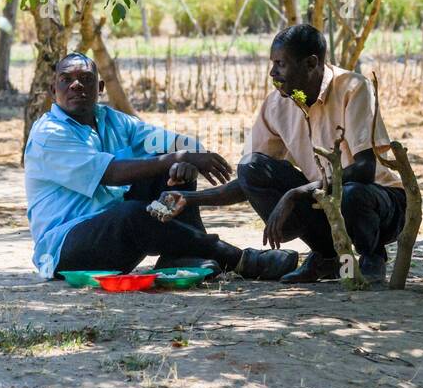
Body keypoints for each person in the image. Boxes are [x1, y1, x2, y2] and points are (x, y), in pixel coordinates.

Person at [160, 25, 406, 284]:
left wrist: (296, 192)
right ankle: (327, 256)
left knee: (353, 193)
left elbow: (365, 169)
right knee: (251, 166)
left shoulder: (353, 87)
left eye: (281, 64)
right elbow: (250, 180)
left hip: (380, 203)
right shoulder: (277, 104)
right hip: (327, 202)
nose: (272, 73)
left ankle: (372, 257)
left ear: (311, 64)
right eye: (272, 64)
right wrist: (188, 198)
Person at [23, 52, 299, 281]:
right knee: (135, 211)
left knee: (172, 171)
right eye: (66, 79)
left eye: (86, 79)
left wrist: (189, 155)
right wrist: (179, 158)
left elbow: (170, 142)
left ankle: (181, 256)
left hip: (117, 237)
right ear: (53, 89)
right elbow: (111, 174)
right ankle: (240, 259)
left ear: (100, 88)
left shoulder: (112, 120)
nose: (76, 86)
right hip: (66, 250)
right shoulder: (50, 134)